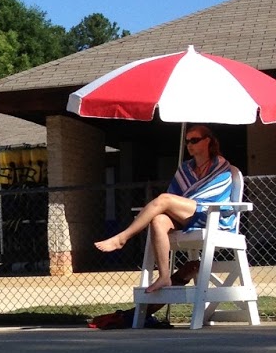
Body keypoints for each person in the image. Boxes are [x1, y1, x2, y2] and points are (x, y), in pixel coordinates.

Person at [94, 125, 236, 291]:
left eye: (194, 140)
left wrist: (178, 203)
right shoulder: (185, 168)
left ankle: (122, 238)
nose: (189, 144)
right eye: (187, 141)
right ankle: (164, 276)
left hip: (211, 216)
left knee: (164, 200)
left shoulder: (219, 165)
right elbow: (176, 196)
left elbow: (214, 195)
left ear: (208, 141)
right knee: (158, 220)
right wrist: (178, 205)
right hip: (189, 216)